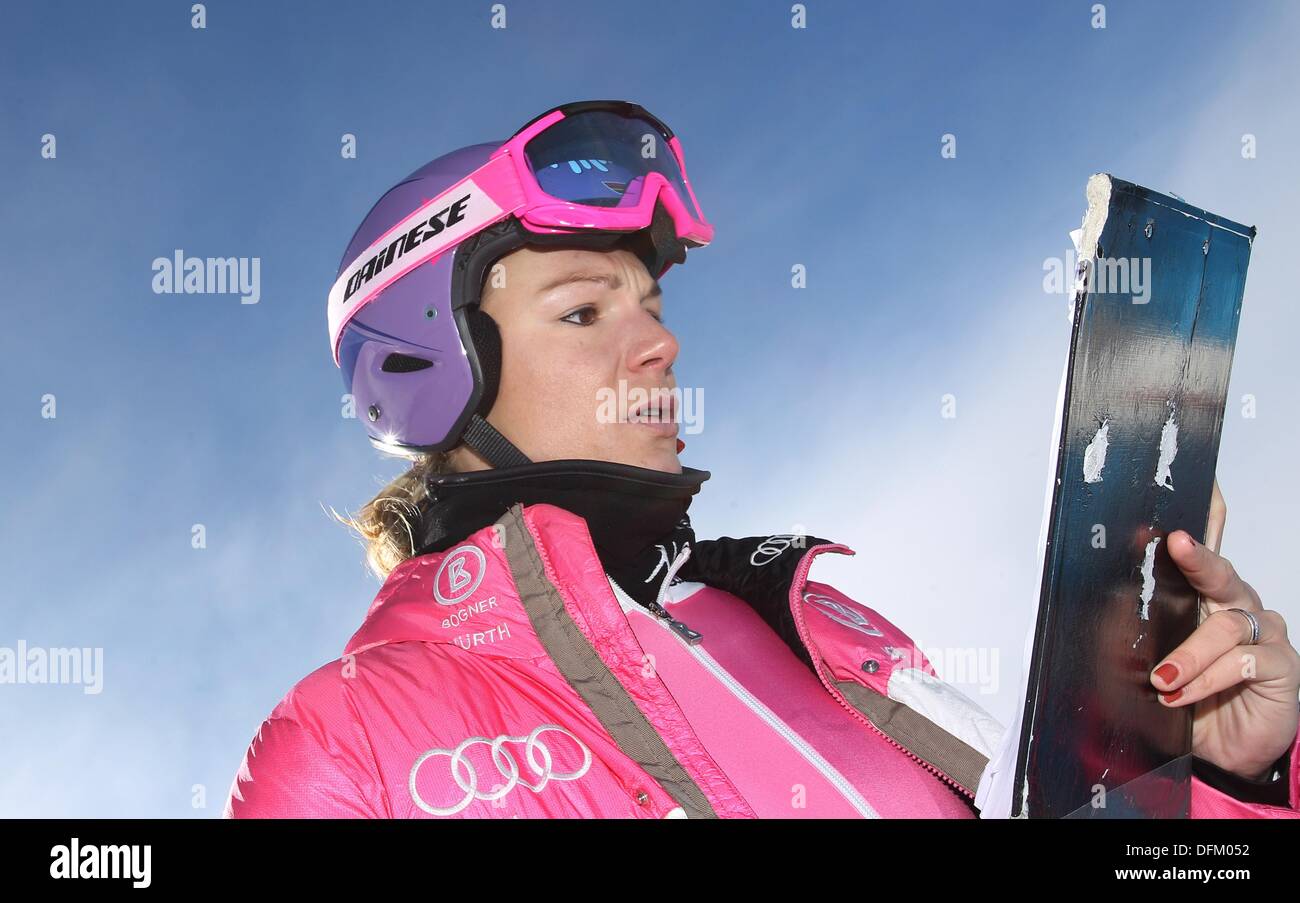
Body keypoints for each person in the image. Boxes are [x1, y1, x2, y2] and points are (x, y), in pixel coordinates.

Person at [223, 99, 1300, 819]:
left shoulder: (816, 624)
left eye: (650, 302)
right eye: (584, 306)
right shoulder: (348, 738)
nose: (659, 340)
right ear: (433, 363)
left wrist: (1221, 774)